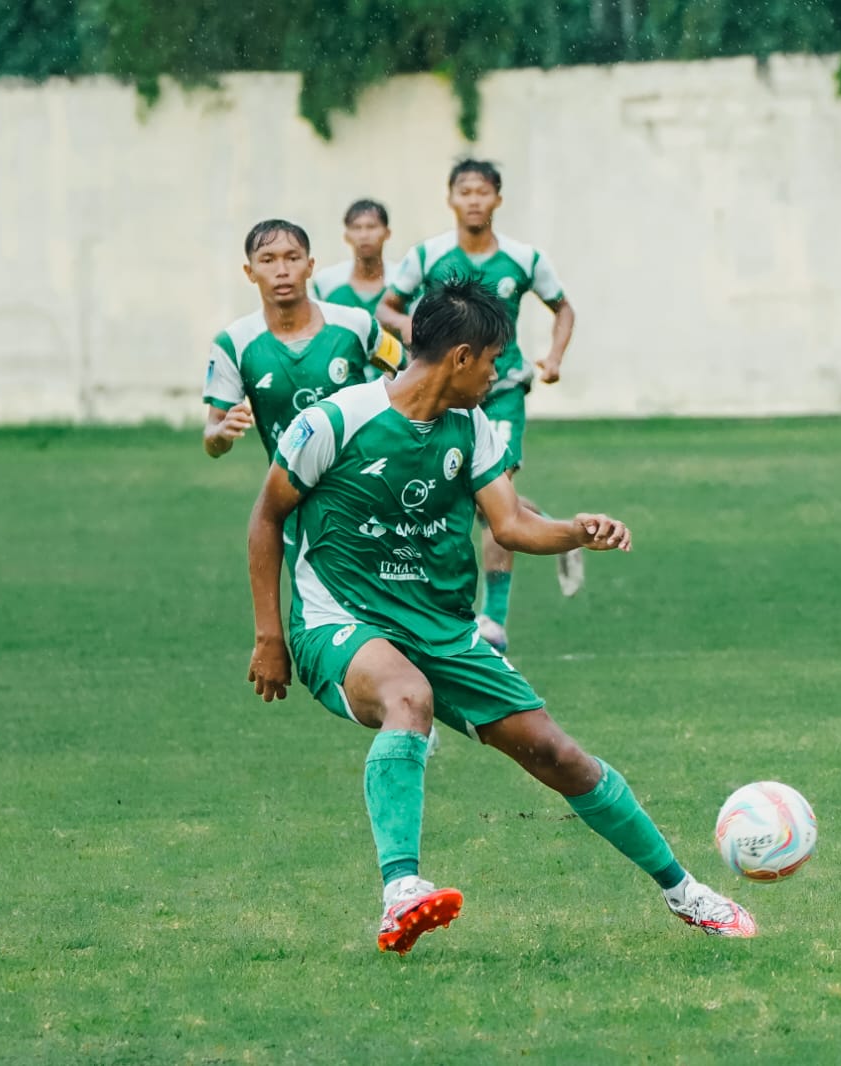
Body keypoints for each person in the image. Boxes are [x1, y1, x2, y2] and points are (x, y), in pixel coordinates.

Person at [246, 277, 757, 952]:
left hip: (443, 627)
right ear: (460, 357)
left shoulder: (473, 429)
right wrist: (269, 637)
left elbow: (511, 524)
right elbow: (266, 519)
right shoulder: (335, 423)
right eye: (492, 361)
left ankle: (685, 892)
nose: (496, 375)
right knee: (408, 696)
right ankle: (401, 892)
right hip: (340, 619)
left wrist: (576, 529)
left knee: (558, 754)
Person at [378, 159, 580, 653]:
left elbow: (563, 308)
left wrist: (553, 358)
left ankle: (492, 621)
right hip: (445, 393)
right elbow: (387, 306)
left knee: (495, 507)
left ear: (498, 200)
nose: (473, 200)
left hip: (502, 391)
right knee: (465, 501)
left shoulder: (524, 259)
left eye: (483, 191)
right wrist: (418, 337)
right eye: (464, 191)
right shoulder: (427, 255)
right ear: (450, 198)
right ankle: (557, 531)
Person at [203, 219, 403, 461]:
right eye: (268, 260)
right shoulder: (233, 343)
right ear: (250, 272)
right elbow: (212, 442)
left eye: (292, 258)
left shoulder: (356, 324)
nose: (282, 271)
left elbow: (411, 373)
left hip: (363, 483)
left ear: (310, 266)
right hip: (291, 490)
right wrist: (222, 433)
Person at [310, 200, 397, 315]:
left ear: (387, 233)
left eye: (371, 227)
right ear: (346, 236)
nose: (364, 235)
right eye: (356, 228)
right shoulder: (326, 282)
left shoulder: (403, 280)